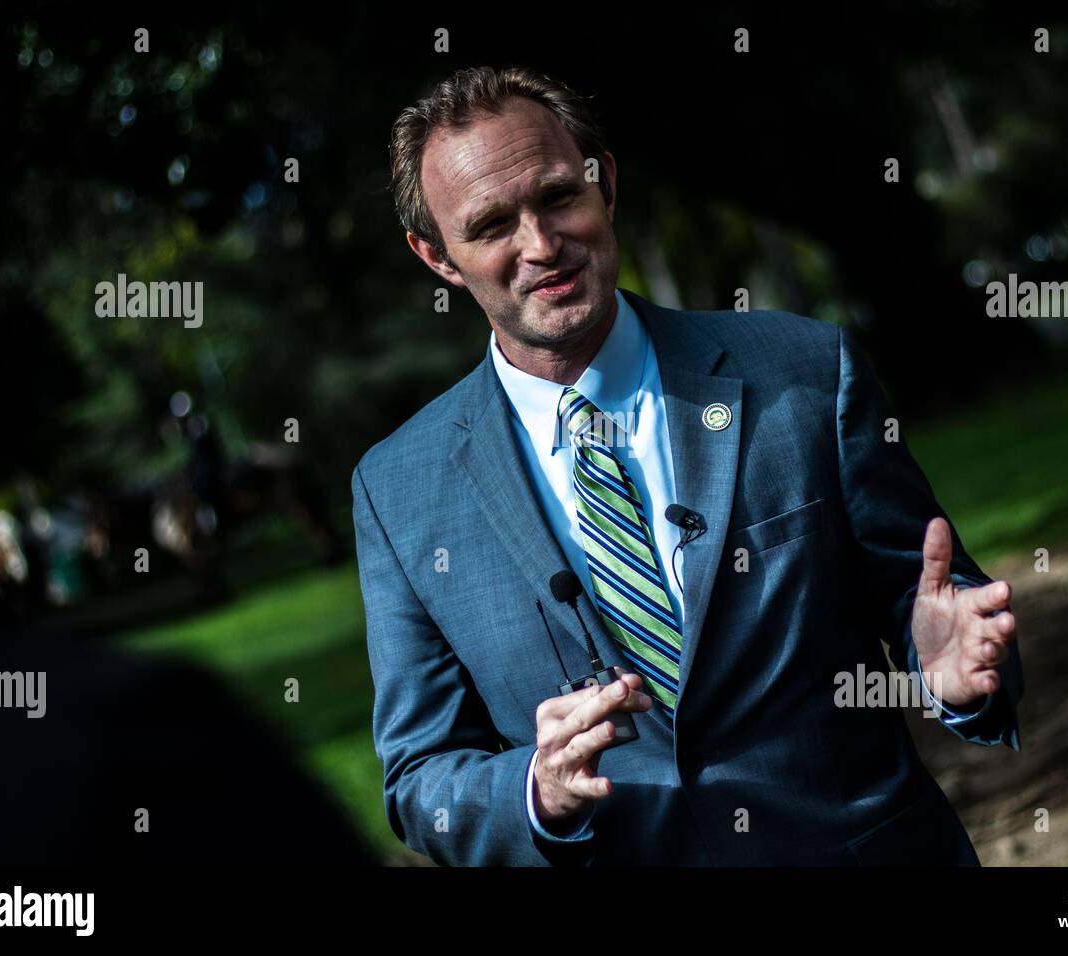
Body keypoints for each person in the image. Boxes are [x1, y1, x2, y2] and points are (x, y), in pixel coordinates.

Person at [352, 65, 1024, 866]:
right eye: (493, 224)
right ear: (437, 256)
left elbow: (940, 608)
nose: (541, 244)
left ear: (606, 185)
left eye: (560, 196)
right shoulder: (397, 492)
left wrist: (951, 673)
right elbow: (421, 779)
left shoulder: (805, 373)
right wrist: (537, 790)